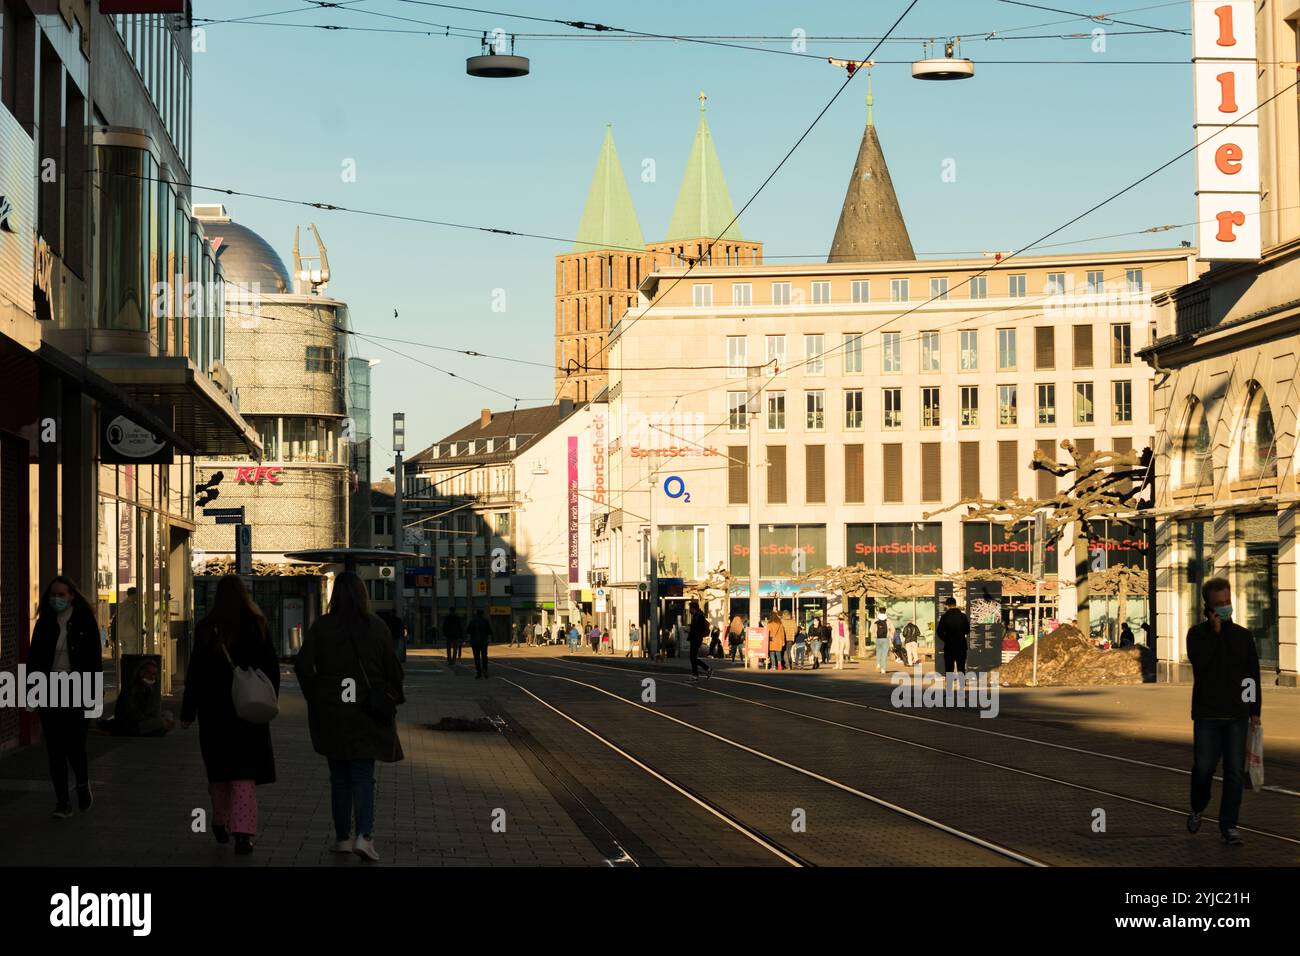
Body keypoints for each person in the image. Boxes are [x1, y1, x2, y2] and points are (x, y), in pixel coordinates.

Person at [296, 571, 404, 862]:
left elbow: (304, 667)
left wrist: (316, 696)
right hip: (366, 712)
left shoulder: (322, 627)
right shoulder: (376, 627)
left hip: (332, 713)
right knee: (362, 776)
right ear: (362, 595)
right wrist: (392, 695)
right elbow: (393, 669)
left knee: (339, 777)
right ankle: (364, 837)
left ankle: (342, 837)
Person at [181, 575, 280, 855]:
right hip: (248, 711)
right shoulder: (256, 625)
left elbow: (195, 673)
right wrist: (269, 698)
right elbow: (270, 668)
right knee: (244, 775)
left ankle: (218, 820)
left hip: (214, 713)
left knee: (219, 773)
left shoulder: (206, 628)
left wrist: (188, 710)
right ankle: (243, 834)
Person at [1186, 578, 1262, 846]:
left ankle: (1229, 825)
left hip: (1237, 716)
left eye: (1227, 602)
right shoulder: (1197, 635)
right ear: (1208, 607)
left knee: (1233, 773)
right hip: (1207, 715)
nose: (1225, 607)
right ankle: (1197, 806)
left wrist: (1255, 710)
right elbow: (1201, 664)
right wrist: (1215, 633)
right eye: (1219, 604)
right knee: (1204, 768)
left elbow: (1251, 675)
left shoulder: (1243, 636)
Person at [28, 576, 102, 819]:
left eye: (61, 595)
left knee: (75, 745)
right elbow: (34, 659)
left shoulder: (85, 622)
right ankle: (62, 802)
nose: (56, 599)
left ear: (72, 596)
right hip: (50, 688)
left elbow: (94, 661)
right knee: (55, 749)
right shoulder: (45, 623)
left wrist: (93, 697)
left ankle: (82, 783)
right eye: (52, 595)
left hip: (77, 688)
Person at [103, 658, 168, 737]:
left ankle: (155, 730)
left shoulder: (148, 689)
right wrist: (153, 721)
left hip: (140, 722)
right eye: (149, 673)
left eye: (154, 674)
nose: (152, 677)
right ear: (141, 673)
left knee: (167, 716)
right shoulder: (132, 690)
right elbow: (134, 715)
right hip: (131, 726)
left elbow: (151, 710)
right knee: (161, 723)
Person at [937, 597, 970, 678]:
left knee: (949, 667)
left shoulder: (945, 616)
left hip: (949, 646)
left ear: (947, 606)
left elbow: (939, 631)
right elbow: (967, 630)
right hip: (961, 645)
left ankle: (949, 685)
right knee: (961, 667)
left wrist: (946, 639)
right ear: (955, 604)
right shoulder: (963, 616)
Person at [686, 600, 713, 682]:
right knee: (693, 658)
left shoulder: (698, 616)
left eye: (690, 608)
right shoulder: (697, 615)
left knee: (693, 658)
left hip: (696, 640)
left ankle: (697, 674)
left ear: (693, 609)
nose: (689, 610)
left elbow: (698, 629)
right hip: (696, 639)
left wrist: (691, 632)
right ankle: (703, 671)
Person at [467, 609, 493, 678]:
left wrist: (469, 640)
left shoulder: (472, 621)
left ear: (476, 614)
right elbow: (489, 632)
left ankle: (479, 673)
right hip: (484, 642)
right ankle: (485, 670)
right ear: (483, 614)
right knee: (484, 656)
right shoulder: (486, 621)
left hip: (475, 642)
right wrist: (489, 639)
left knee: (476, 658)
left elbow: (468, 632)